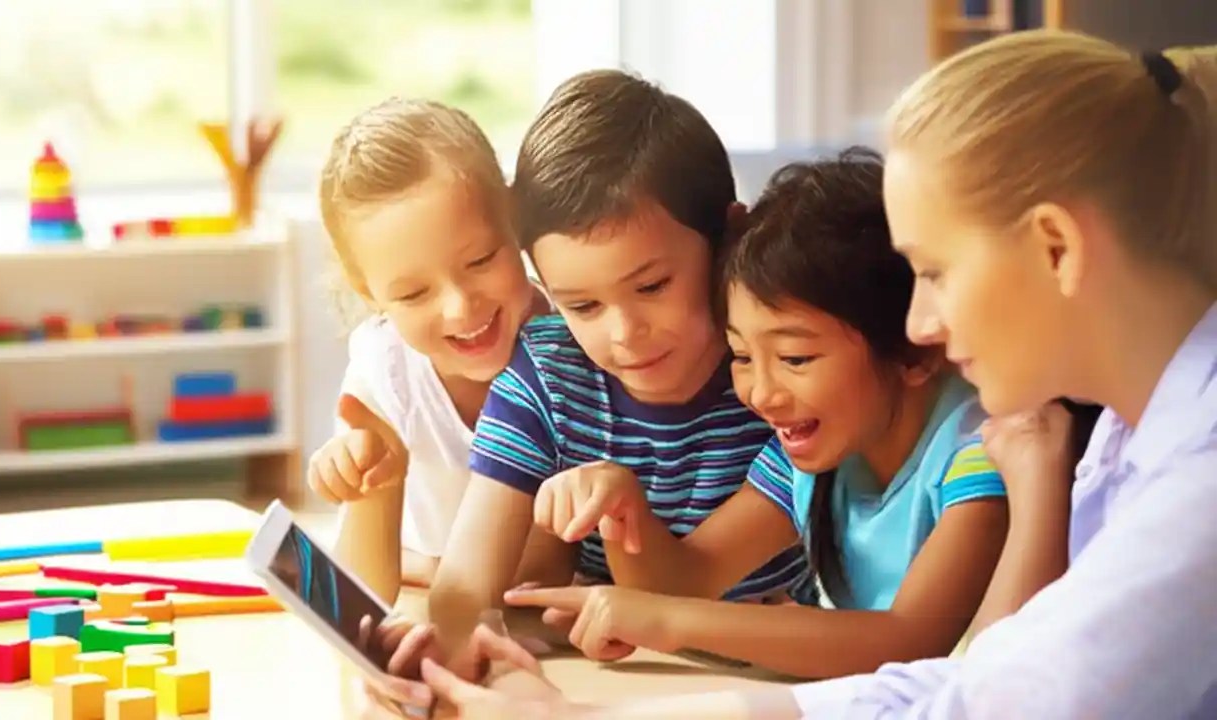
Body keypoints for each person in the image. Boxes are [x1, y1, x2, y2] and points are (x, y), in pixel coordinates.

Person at [410, 31, 1217, 719]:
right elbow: (965, 686)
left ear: (1056, 248)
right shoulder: (1128, 433)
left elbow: (985, 700)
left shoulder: (1198, 488)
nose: (919, 324)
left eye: (932, 271)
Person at [503, 148, 1010, 679]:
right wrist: (621, 506)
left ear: (916, 350)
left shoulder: (977, 448)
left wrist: (672, 621)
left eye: (794, 358)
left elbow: (909, 639)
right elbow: (686, 579)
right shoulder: (819, 448)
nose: (760, 393)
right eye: (741, 356)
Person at [425, 68, 816, 669]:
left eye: (653, 285)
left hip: (761, 672)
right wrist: (432, 652)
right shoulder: (548, 374)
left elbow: (682, 589)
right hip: (618, 670)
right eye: (582, 305)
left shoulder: (784, 378)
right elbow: (466, 588)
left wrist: (618, 505)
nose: (624, 333)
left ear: (729, 236)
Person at [310, 97, 546, 607]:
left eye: (481, 260)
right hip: (437, 612)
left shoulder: (580, 335)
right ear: (367, 291)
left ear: (515, 221)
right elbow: (355, 599)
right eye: (414, 294)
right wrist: (374, 486)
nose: (461, 309)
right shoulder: (386, 372)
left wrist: (435, 569)